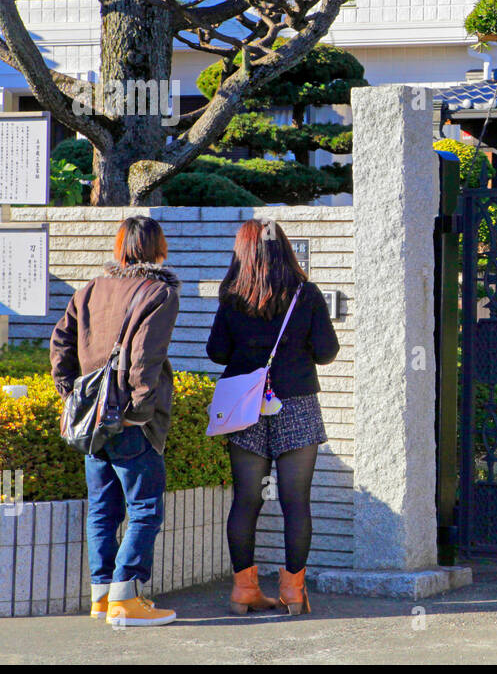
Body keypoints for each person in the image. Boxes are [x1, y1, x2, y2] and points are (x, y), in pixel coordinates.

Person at [50, 216, 181, 627]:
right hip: (128, 419)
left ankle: (102, 596)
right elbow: (145, 358)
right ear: (158, 247)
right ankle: (126, 597)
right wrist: (138, 412)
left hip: (91, 418)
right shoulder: (158, 292)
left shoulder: (91, 288)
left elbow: (60, 343)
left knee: (103, 509)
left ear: (120, 247)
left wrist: (72, 394)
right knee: (145, 509)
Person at [207, 219, 339, 616]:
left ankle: (244, 590)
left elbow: (216, 351)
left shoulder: (232, 297)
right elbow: (327, 351)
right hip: (296, 403)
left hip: (246, 407)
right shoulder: (306, 294)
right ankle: (293, 592)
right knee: (296, 501)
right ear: (283, 247)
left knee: (246, 500)